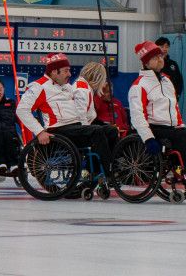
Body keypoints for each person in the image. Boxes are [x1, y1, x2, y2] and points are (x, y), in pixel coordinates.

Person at [16, 53, 117, 194]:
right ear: (53, 72)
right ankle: (108, 174)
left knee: (111, 130)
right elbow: (21, 110)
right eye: (65, 71)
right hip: (59, 130)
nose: (70, 74)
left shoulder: (67, 86)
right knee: (96, 131)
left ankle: (102, 169)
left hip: (75, 128)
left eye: (69, 70)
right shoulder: (39, 87)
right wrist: (39, 132)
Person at [128, 41, 186, 194]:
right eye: (156, 57)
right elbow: (136, 116)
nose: (161, 59)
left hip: (171, 128)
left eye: (160, 56)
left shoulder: (166, 80)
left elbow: (174, 107)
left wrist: (180, 125)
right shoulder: (139, 85)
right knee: (181, 137)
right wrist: (148, 138)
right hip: (153, 129)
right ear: (147, 63)